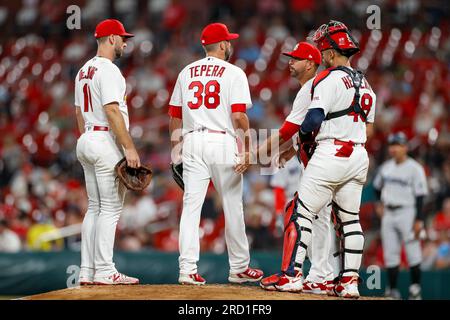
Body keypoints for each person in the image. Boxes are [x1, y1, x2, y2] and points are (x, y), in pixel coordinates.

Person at [271, 20, 377, 299]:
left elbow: (314, 118)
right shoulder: (366, 84)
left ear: (330, 53)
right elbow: (370, 127)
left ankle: (292, 275)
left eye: (323, 49)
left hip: (331, 152)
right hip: (358, 154)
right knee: (350, 220)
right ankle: (349, 282)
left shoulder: (328, 78)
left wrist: (305, 135)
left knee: (300, 211)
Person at [168, 22, 263, 285]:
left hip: (192, 142)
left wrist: (176, 152)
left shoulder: (185, 72)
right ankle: (239, 268)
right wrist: (247, 147)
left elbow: (174, 117)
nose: (230, 44)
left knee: (190, 209)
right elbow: (239, 115)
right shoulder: (234, 73)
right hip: (222, 141)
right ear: (222, 45)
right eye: (228, 41)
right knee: (233, 207)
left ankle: (187, 270)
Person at [257, 41, 335, 294]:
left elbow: (286, 131)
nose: (290, 62)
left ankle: (303, 274)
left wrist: (253, 154)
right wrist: (292, 150)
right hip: (321, 156)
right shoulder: (315, 87)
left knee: (301, 213)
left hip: (321, 159)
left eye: (296, 59)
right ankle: (322, 275)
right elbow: (306, 129)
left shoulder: (310, 88)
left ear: (310, 64)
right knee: (321, 218)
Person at [75, 19, 141, 285]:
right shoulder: (109, 70)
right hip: (104, 138)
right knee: (110, 209)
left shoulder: (82, 71)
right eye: (123, 38)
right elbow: (112, 110)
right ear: (111, 38)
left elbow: (79, 113)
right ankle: (104, 270)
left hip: (87, 137)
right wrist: (129, 147)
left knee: (94, 207)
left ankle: (86, 271)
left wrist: (88, 139)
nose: (125, 42)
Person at [373, 132, 428, 299]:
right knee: (391, 254)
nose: (394, 149)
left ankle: (415, 289)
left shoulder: (415, 168)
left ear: (405, 147)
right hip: (389, 212)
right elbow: (377, 187)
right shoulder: (386, 167)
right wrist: (379, 204)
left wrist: (419, 219)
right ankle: (392, 290)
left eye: (397, 145)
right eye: (392, 145)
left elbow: (420, 196)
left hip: (408, 212)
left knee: (413, 253)